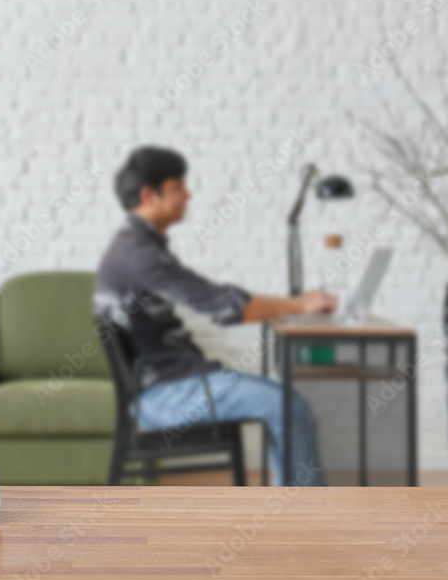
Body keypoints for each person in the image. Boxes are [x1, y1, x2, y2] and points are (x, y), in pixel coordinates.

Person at [93, 146, 336, 486]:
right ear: (149, 195)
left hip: (169, 383)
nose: (188, 195)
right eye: (178, 188)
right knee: (291, 408)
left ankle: (295, 515)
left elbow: (216, 299)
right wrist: (299, 305)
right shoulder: (139, 255)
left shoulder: (134, 247)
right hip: (164, 395)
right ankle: (308, 524)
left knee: (286, 404)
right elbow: (223, 306)